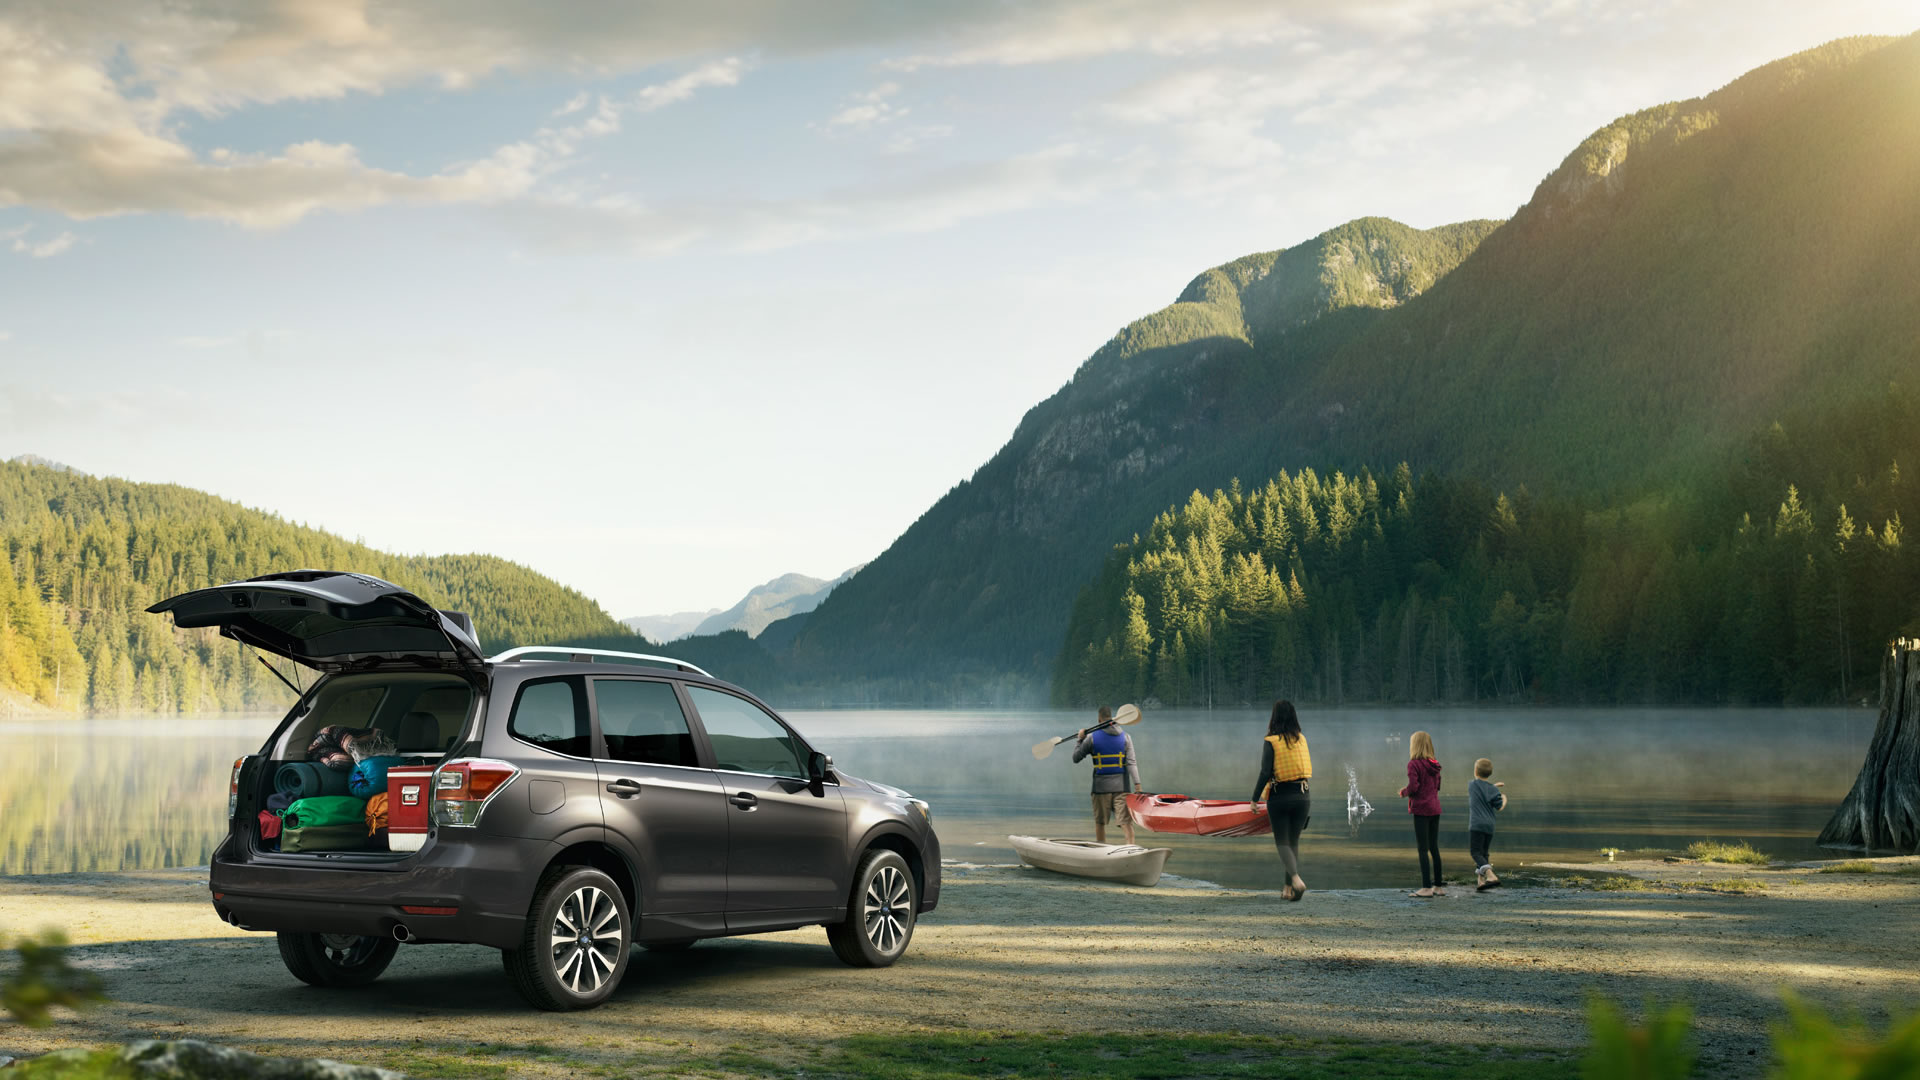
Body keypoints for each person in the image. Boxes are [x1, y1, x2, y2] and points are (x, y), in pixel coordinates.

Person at [1251, 700, 1311, 901]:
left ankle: (1296, 879)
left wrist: (1253, 799)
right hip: (1303, 796)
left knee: (1282, 842)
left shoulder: (1271, 741)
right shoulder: (1301, 739)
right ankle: (1287, 888)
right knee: (1293, 842)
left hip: (1281, 797)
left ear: (1274, 717)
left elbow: (1266, 772)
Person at [1072, 705, 1140, 845]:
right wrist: (1137, 785)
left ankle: (1101, 848)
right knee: (1126, 822)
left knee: (1100, 822)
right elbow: (1132, 763)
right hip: (1122, 787)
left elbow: (1076, 758)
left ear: (1099, 719)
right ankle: (1131, 847)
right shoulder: (1126, 737)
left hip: (1100, 788)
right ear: (1112, 717)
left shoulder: (1091, 738)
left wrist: (1079, 739)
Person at [1398, 730, 1444, 897]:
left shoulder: (1413, 764)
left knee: (1422, 849)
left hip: (1421, 809)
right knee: (1434, 848)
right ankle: (1438, 887)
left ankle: (1426, 887)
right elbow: (1437, 787)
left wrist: (1404, 793)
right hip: (1435, 808)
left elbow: (1414, 787)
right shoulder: (1435, 764)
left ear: (1414, 745)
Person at [1468, 757, 1508, 890]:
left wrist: (1494, 788)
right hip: (1489, 826)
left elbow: (1481, 790)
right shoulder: (1493, 790)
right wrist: (1503, 798)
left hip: (1477, 825)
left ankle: (1491, 876)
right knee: (1483, 853)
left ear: (1475, 771)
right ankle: (1481, 881)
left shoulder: (1472, 785)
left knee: (1475, 852)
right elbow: (1499, 807)